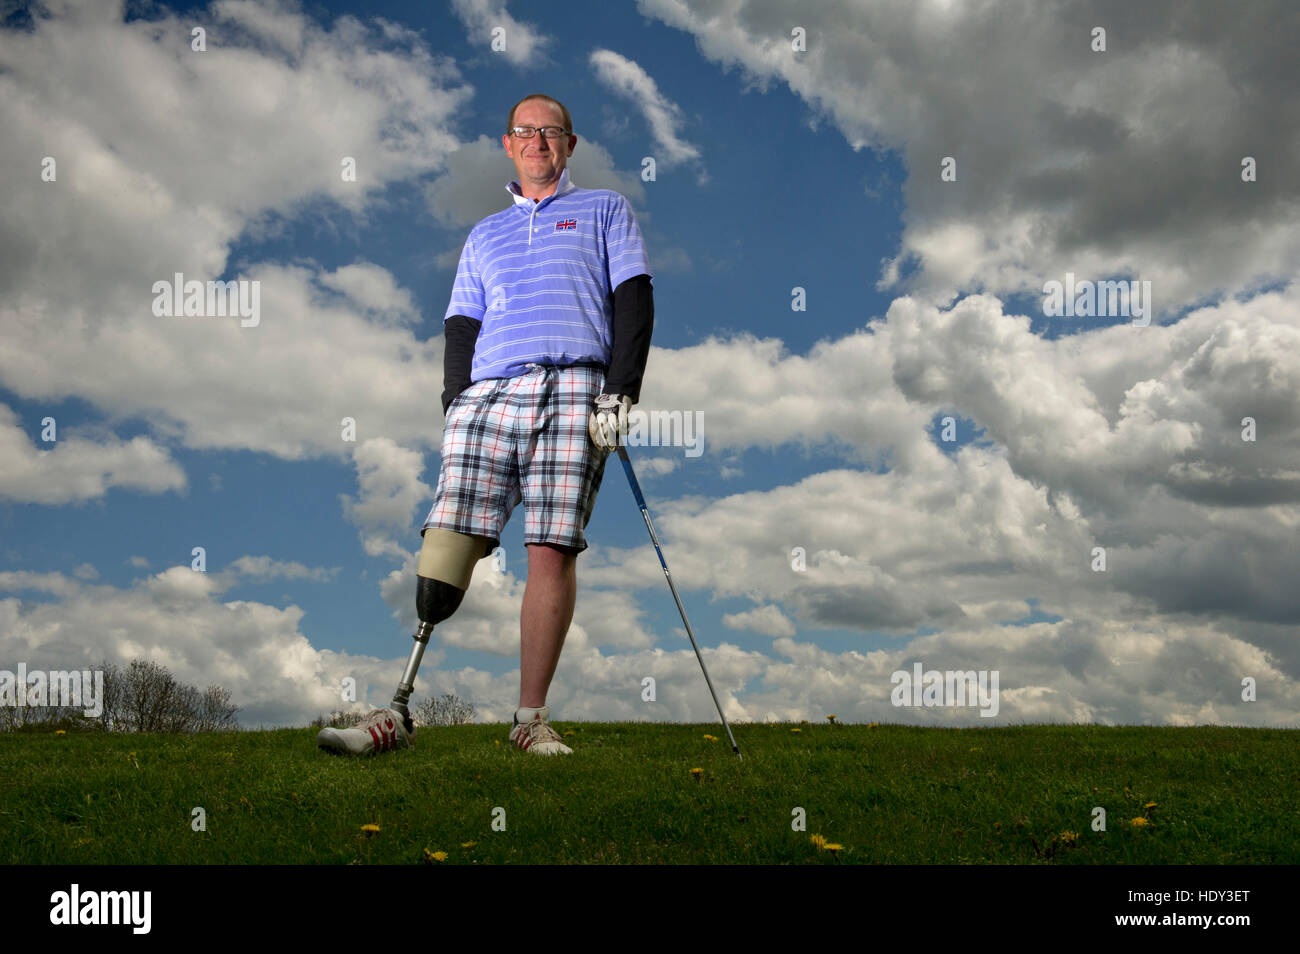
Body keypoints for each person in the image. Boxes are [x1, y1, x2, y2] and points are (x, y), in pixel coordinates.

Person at [317, 93, 654, 757]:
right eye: (525, 132)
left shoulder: (606, 210)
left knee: (550, 545)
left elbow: (634, 300)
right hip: (487, 396)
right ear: (508, 144)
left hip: (574, 387)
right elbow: (460, 325)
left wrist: (621, 393)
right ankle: (397, 714)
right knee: (446, 548)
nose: (537, 142)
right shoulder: (484, 235)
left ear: (570, 143)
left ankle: (528, 720)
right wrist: (455, 400)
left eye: (550, 132)